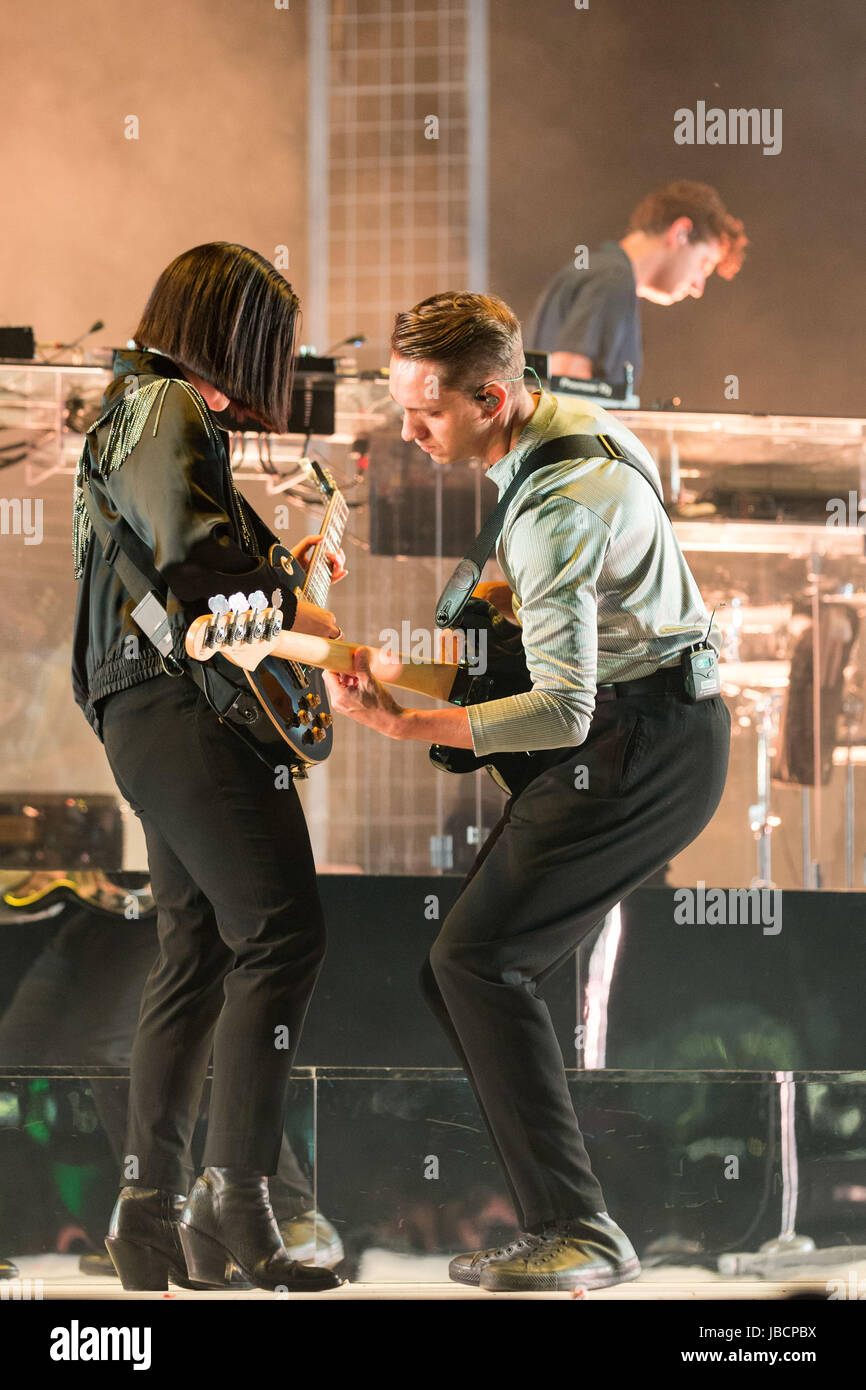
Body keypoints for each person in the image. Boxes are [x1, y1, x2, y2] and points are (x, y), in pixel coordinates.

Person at [323, 291, 732, 1292]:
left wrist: (409, 721)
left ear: (494, 394)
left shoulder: (555, 507)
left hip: (643, 745)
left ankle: (581, 1230)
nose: (406, 432)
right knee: (464, 968)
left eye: (424, 413)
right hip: (645, 726)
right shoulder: (564, 427)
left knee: (476, 964)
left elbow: (558, 712)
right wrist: (427, 663)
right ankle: (566, 1219)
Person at [70, 242, 345, 1293]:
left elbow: (185, 561)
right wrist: (301, 604)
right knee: (284, 930)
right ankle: (236, 1194)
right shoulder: (169, 410)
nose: (265, 372)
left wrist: (284, 564)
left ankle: (151, 1219)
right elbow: (195, 567)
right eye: (264, 343)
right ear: (227, 334)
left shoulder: (127, 413)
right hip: (175, 705)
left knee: (194, 953)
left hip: (139, 707)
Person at [523, 180, 747, 387]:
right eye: (703, 266)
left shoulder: (601, 272)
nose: (698, 288)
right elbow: (568, 383)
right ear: (681, 233)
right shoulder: (613, 280)